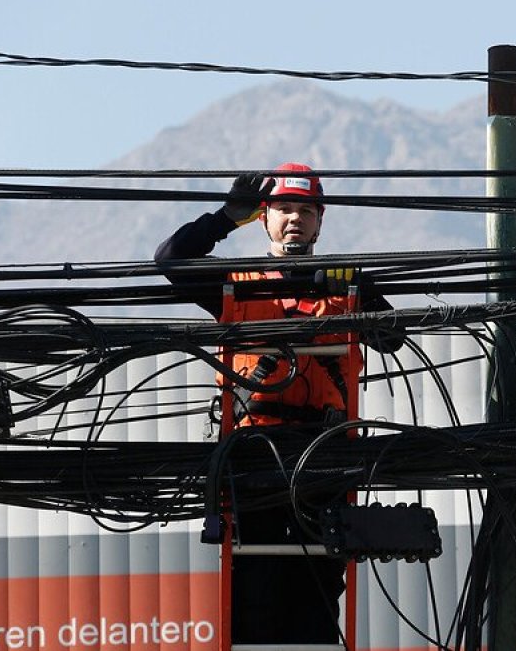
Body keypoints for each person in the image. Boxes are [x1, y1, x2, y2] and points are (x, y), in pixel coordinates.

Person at [155, 162, 404, 645]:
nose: (295, 219)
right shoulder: (236, 284)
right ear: (265, 217)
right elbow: (171, 260)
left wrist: (358, 290)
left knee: (319, 588)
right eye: (283, 208)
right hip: (255, 454)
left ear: (320, 220)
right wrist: (227, 217)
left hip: (327, 453)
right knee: (256, 589)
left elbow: (393, 338)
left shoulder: (344, 285)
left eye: (305, 210)